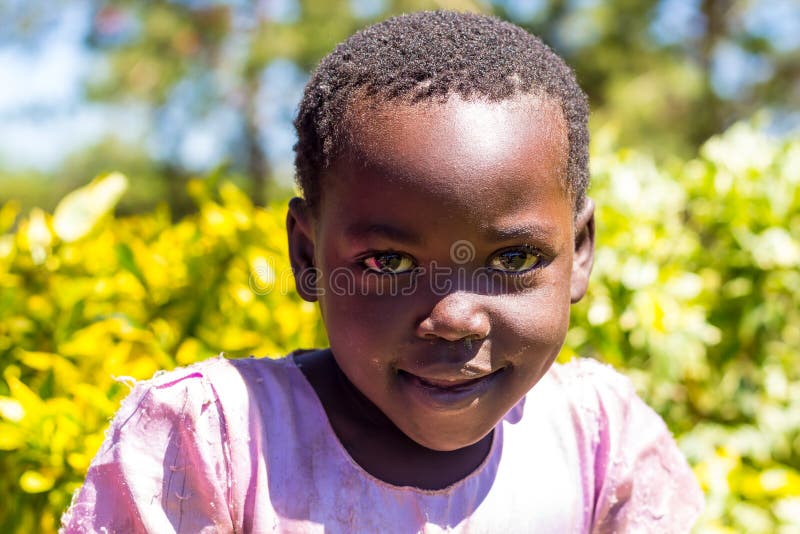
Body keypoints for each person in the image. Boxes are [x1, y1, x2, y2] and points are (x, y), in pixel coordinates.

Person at [61, 10, 704, 533]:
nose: (454, 319)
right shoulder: (215, 446)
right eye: (389, 263)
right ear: (308, 257)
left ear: (580, 252)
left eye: (512, 260)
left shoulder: (601, 444)